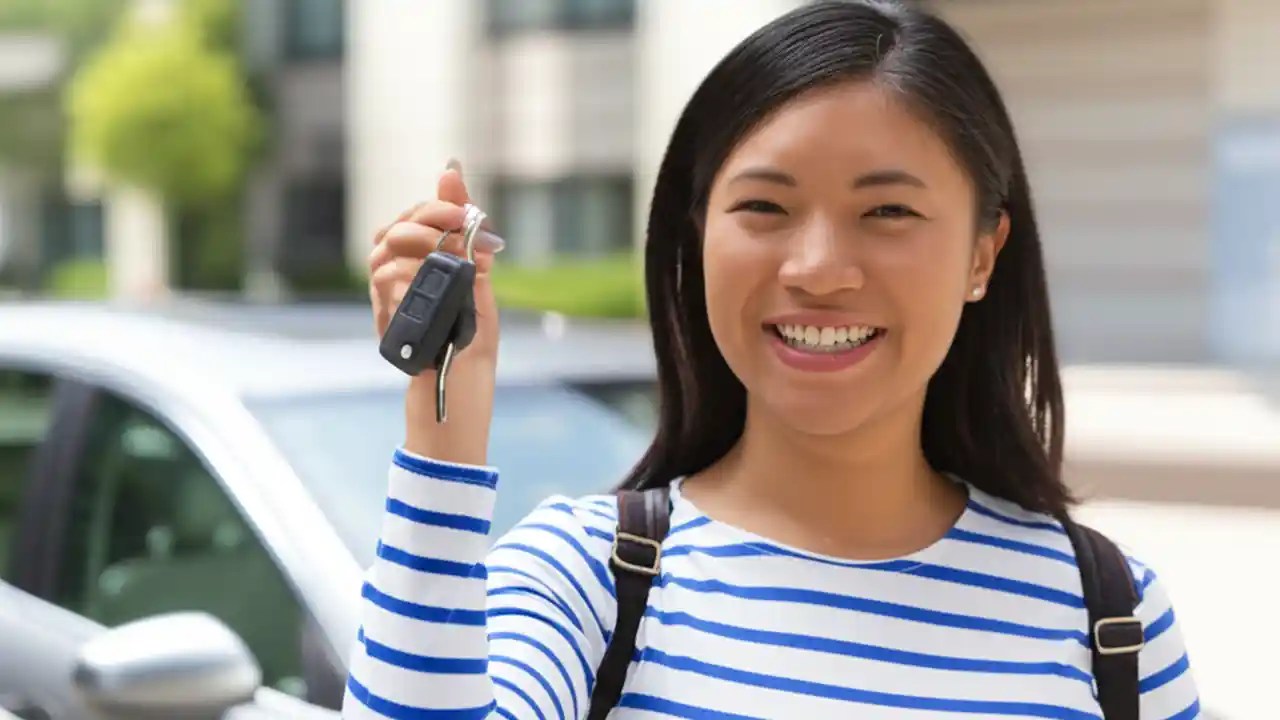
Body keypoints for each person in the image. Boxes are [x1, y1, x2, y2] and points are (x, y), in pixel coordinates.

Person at [346, 1, 1199, 718]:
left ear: (983, 255)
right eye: (764, 206)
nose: (818, 270)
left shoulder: (1109, 619)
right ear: (698, 238)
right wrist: (444, 420)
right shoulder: (583, 582)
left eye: (888, 212)